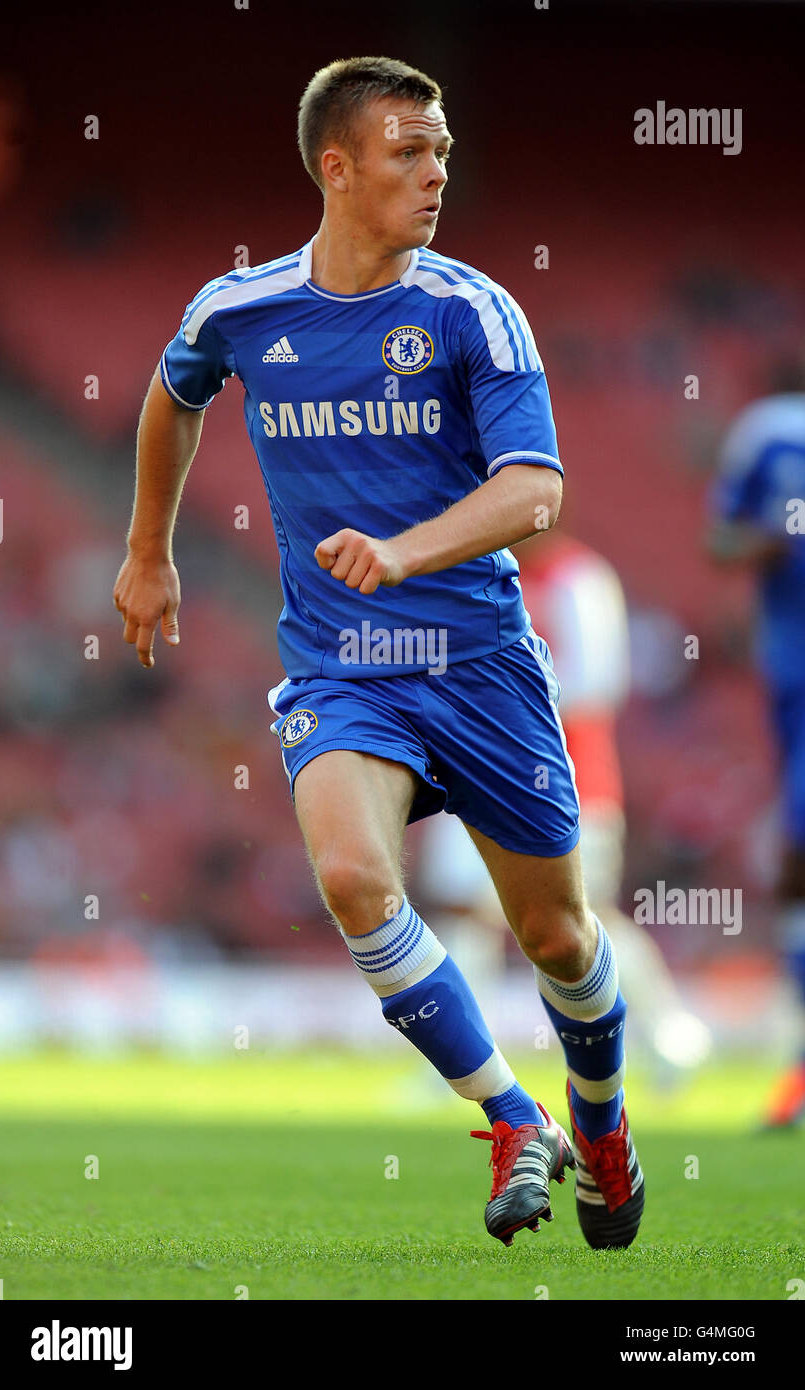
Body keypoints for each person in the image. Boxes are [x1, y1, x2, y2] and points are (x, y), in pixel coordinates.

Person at [114, 56, 644, 1248]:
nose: (435, 170)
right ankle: (514, 1119)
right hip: (342, 667)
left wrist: (404, 553)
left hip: (480, 665)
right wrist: (148, 549)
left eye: (442, 150)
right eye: (409, 150)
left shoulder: (471, 309)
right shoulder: (239, 308)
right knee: (356, 879)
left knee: (555, 934)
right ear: (335, 167)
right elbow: (171, 393)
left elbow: (533, 489)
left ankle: (600, 1125)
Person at [418, 530, 712, 1082]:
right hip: (477, 771)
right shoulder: (466, 575)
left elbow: (597, 681)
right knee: (465, 910)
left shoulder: (577, 577)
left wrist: (502, 702)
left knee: (585, 912)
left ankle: (668, 1032)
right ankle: (455, 1058)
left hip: (567, 778)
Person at [707, 366, 805, 1127]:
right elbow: (723, 539)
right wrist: (772, 538)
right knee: (797, 865)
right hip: (793, 678)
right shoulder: (772, 433)